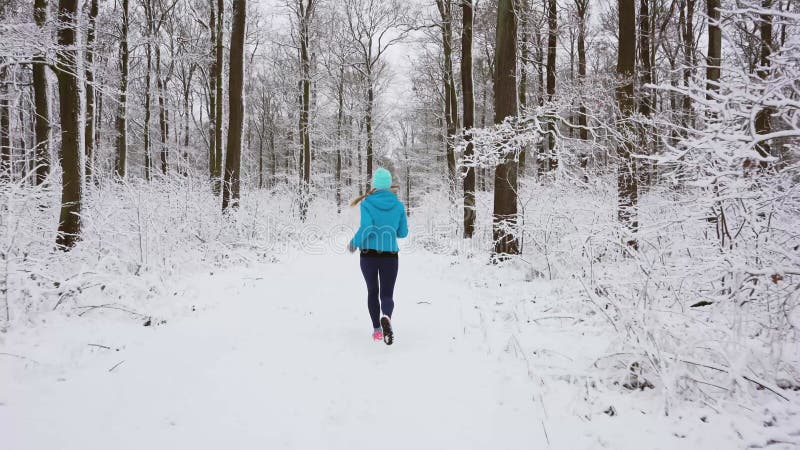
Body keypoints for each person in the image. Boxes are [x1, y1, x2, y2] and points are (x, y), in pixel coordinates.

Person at [347, 168, 408, 345]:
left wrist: (354, 243)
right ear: (389, 185)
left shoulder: (367, 203)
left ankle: (377, 331)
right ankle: (387, 316)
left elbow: (367, 227)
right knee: (387, 295)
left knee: (372, 292)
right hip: (390, 256)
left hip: (368, 256)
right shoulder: (398, 205)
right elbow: (403, 232)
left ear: (374, 184)